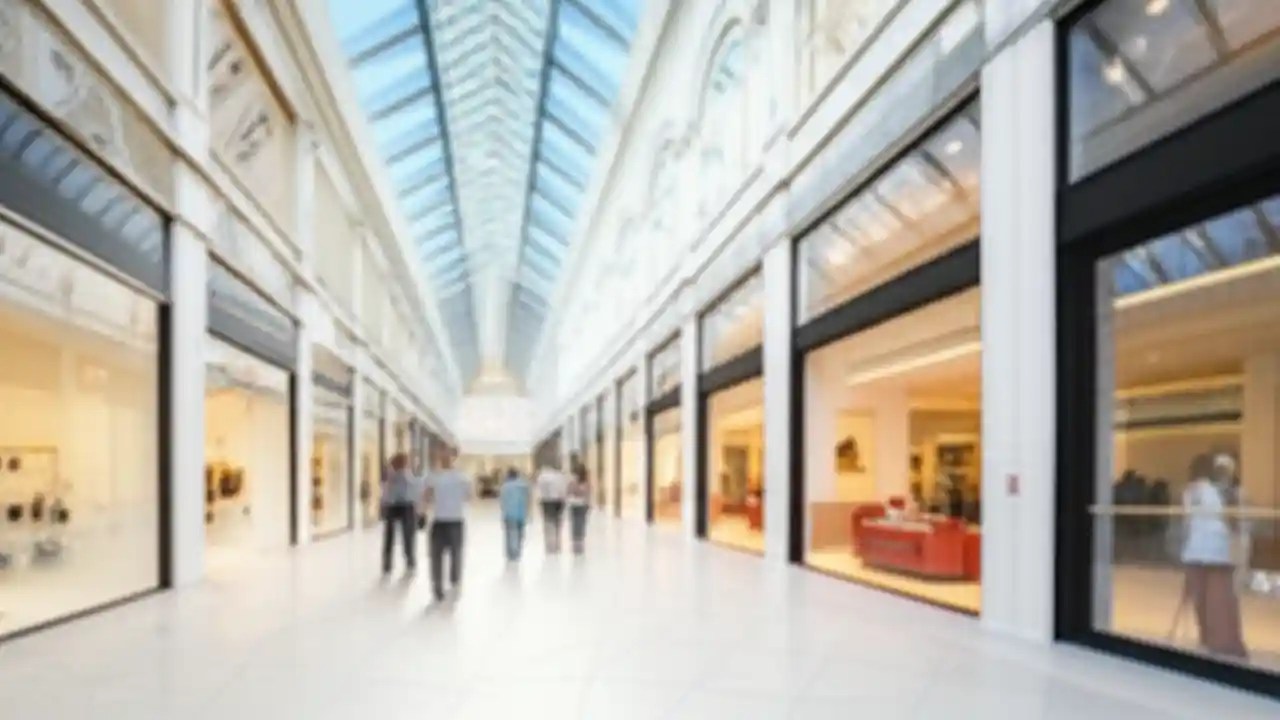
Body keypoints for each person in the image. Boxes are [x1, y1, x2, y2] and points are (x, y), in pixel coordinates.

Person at [1179, 453, 1247, 659]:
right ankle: (1224, 643)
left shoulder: (1189, 492)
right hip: (1217, 552)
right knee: (1219, 599)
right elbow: (1232, 521)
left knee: (1201, 599)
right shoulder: (1221, 492)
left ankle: (1207, 638)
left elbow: (1186, 522)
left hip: (1194, 552)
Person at [422, 449, 471, 602]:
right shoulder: (461, 477)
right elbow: (469, 496)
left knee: (445, 555)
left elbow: (426, 497)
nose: (444, 456)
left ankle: (447, 584)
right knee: (448, 554)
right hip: (446, 520)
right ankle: (445, 584)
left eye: (446, 454)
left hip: (450, 520)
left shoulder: (437, 476)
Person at [380, 453, 419, 575]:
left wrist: (383, 504)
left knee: (390, 537)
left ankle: (388, 565)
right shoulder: (406, 475)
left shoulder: (393, 475)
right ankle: (410, 562)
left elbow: (385, 492)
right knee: (407, 536)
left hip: (394, 506)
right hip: (405, 506)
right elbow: (414, 491)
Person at [535, 461, 569, 553]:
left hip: (546, 501)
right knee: (557, 522)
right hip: (558, 501)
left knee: (548, 523)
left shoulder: (542, 476)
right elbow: (564, 489)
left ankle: (550, 545)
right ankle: (557, 543)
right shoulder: (560, 476)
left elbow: (539, 490)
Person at [499, 467, 531, 561]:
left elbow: (502, 501)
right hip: (521, 513)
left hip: (509, 513)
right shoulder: (524, 485)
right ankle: (517, 551)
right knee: (520, 533)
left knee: (510, 533)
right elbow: (528, 499)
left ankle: (511, 553)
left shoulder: (505, 486)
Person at [567, 462, 591, 554]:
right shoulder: (586, 482)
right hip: (582, 505)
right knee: (581, 523)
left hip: (575, 505)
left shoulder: (573, 481)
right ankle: (579, 541)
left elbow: (569, 492)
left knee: (575, 523)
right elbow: (587, 494)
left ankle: (576, 542)